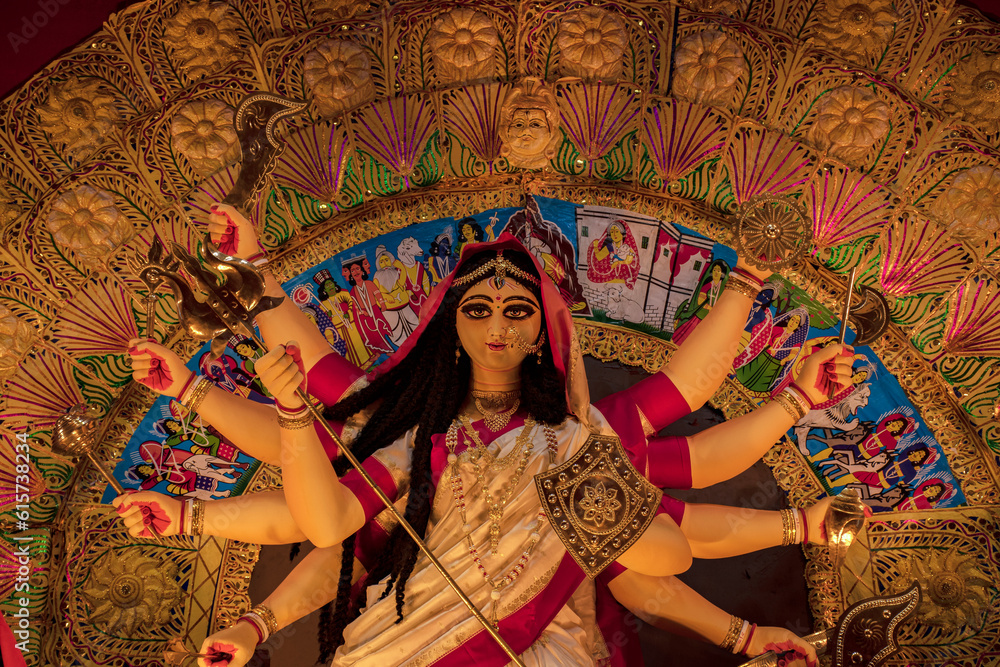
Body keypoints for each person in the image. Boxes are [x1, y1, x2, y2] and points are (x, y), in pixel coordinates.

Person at [115, 204, 852, 666]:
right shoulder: (412, 428)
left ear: (543, 328)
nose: (498, 325)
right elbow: (331, 523)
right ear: (452, 327)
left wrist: (749, 626)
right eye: (478, 310)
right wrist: (264, 366)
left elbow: (664, 547)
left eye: (517, 309)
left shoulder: (576, 436)